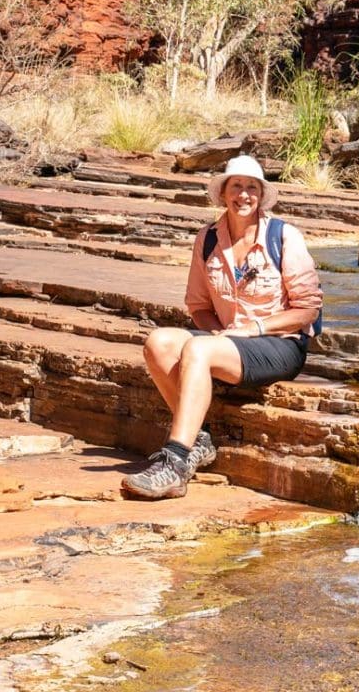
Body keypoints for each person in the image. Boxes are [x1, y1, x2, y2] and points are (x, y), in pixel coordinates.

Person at [122, 155, 323, 499]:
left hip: (280, 344)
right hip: (229, 343)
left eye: (252, 188)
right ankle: (198, 440)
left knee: (198, 349)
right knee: (159, 342)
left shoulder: (283, 236)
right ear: (223, 193)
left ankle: (175, 463)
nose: (244, 195)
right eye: (236, 186)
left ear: (261, 195)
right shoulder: (208, 239)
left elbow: (308, 310)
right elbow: (198, 306)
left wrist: (252, 329)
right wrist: (217, 333)